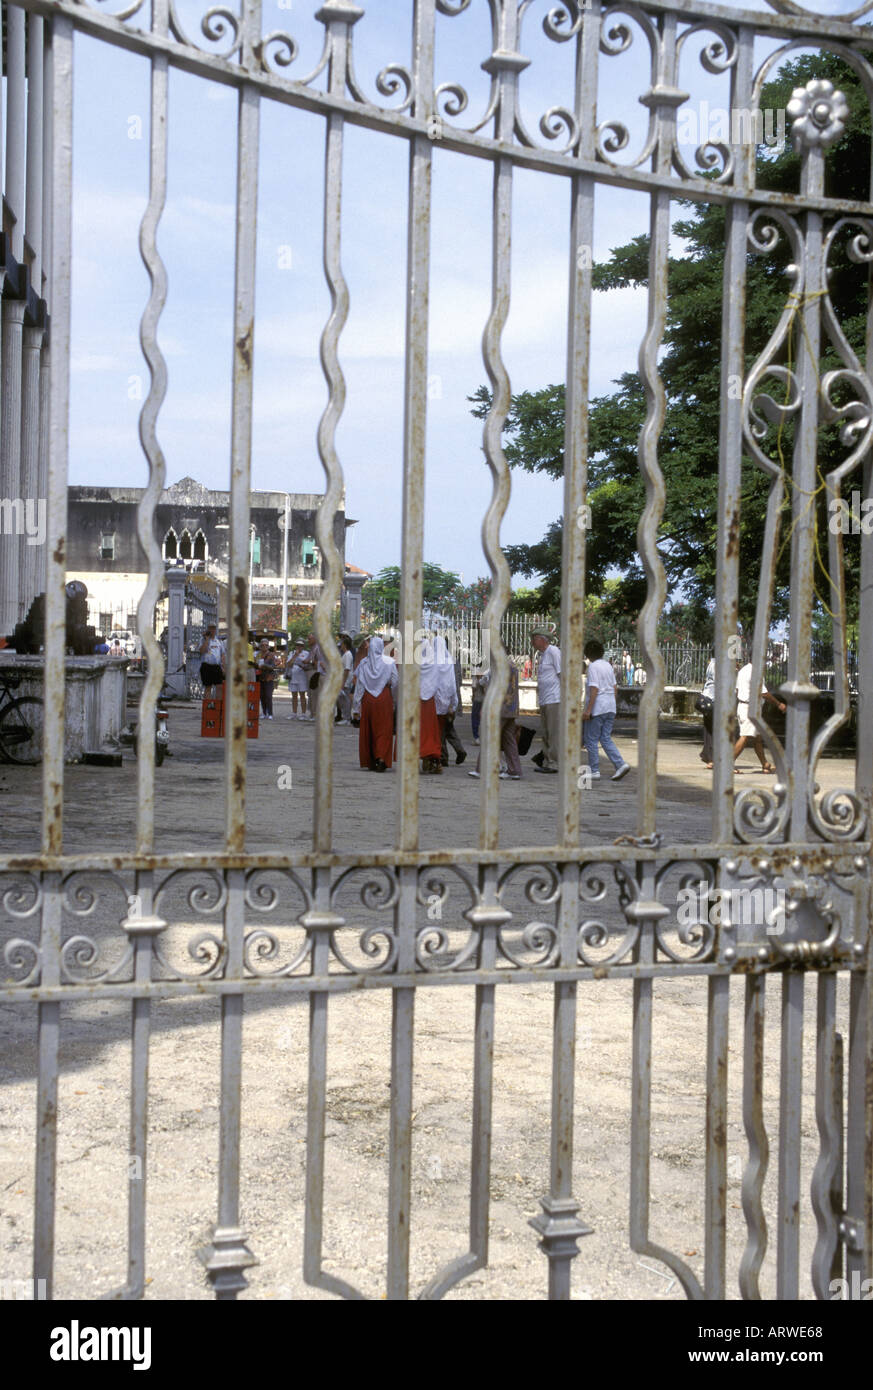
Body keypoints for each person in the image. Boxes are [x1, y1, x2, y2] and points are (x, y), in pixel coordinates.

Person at [581, 639, 630, 781]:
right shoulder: (608, 666)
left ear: (588, 654)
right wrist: (612, 704)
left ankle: (594, 770)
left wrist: (588, 710)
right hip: (609, 706)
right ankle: (620, 764)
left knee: (590, 739)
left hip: (598, 708)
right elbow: (615, 687)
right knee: (605, 738)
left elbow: (594, 688)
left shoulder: (593, 667)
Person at [467, 662, 522, 780]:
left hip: (499, 709)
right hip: (512, 708)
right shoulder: (513, 666)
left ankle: (481, 769)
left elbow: (490, 686)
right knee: (509, 740)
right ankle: (514, 770)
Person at [352, 635, 398, 771]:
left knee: (369, 729)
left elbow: (359, 686)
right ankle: (381, 757)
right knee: (384, 729)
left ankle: (371, 759)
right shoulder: (389, 662)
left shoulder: (364, 663)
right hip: (384, 697)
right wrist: (394, 699)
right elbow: (395, 682)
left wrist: (355, 707)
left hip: (368, 699)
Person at [734, 657, 786, 773]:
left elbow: (737, 690)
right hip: (749, 708)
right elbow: (764, 693)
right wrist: (779, 704)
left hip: (745, 706)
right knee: (745, 736)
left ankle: (765, 764)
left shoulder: (744, 670)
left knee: (757, 738)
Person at [530, 627, 561, 773]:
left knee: (553, 732)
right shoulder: (543, 655)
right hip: (545, 698)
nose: (532, 642)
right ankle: (547, 759)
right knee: (546, 731)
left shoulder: (553, 652)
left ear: (542, 639)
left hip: (554, 698)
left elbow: (562, 674)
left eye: (534, 639)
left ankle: (554, 762)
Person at [418, 638, 445, 774]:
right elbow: (438, 684)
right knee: (430, 732)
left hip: (415, 701)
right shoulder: (434, 664)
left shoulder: (414, 663)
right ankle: (431, 757)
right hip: (429, 702)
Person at [199, 623, 226, 699]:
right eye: (210, 628)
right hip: (206, 666)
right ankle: (208, 708)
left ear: (215, 630)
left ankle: (217, 707)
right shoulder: (203, 640)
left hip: (216, 666)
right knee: (208, 687)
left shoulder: (219, 641)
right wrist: (207, 639)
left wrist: (223, 667)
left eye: (213, 628)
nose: (212, 630)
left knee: (219, 686)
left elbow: (223, 655)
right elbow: (202, 651)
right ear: (208, 629)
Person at [699, 649, 715, 769]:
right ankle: (711, 758)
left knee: (709, 728)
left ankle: (706, 754)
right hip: (714, 699)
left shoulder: (711, 664)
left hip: (707, 698)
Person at [285, 638, 309, 719]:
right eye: (297, 645)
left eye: (301, 645)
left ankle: (303, 714)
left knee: (302, 695)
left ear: (303, 646)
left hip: (302, 677)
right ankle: (294, 713)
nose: (299, 647)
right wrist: (295, 656)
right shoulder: (292, 653)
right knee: (294, 695)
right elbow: (288, 664)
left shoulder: (306, 653)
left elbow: (307, 665)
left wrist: (301, 664)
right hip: (293, 677)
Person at [255, 639, 277, 719]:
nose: (264, 647)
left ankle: (270, 713)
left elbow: (273, 667)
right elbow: (255, 665)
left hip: (269, 678)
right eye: (262, 645)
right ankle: (264, 713)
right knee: (262, 696)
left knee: (268, 696)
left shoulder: (272, 655)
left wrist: (265, 666)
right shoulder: (257, 655)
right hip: (259, 677)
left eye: (266, 645)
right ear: (260, 646)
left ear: (268, 646)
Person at [336, 636, 354, 725]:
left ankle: (347, 718)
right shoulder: (346, 654)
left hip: (346, 681)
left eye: (342, 644)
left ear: (345, 645)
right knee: (342, 700)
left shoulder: (348, 655)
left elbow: (347, 669)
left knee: (346, 700)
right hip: (343, 679)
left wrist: (343, 682)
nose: (341, 646)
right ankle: (345, 716)